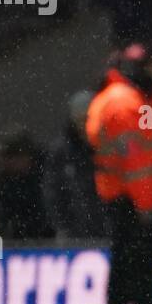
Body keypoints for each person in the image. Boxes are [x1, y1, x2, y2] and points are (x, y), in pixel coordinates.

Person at [86, 44, 152, 304]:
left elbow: (149, 150)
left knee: (133, 272)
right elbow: (135, 163)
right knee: (133, 273)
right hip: (132, 202)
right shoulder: (123, 103)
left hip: (135, 198)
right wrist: (146, 205)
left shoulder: (138, 99)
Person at [44, 90, 107, 240]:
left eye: (89, 119)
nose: (85, 126)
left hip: (106, 230)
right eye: (81, 120)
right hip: (75, 233)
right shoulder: (61, 152)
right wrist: (62, 226)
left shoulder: (107, 148)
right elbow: (52, 193)